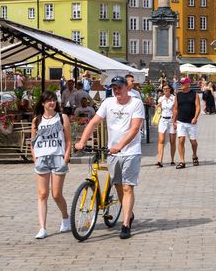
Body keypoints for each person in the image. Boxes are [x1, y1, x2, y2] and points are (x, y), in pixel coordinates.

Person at [74, 76, 144, 239]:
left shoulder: (136, 103)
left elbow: (134, 129)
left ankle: (126, 224)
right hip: (112, 152)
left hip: (130, 152)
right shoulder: (108, 103)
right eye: (114, 88)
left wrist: (120, 145)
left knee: (127, 187)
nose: (116, 91)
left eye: (119, 87)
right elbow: (93, 123)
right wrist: (83, 140)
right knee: (118, 186)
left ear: (127, 88)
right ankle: (129, 212)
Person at [30, 90, 71, 239]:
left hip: (58, 157)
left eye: (53, 100)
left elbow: (68, 140)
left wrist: (66, 157)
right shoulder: (37, 120)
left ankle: (66, 217)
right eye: (48, 100)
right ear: (43, 103)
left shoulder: (62, 118)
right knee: (42, 194)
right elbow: (32, 141)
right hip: (42, 158)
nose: (52, 103)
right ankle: (42, 228)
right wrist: (36, 158)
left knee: (56, 194)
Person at [172, 77, 200, 168]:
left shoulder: (194, 94)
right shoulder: (178, 95)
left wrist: (195, 118)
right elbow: (175, 108)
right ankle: (182, 161)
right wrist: (174, 121)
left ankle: (194, 155)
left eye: (183, 83)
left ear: (188, 84)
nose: (181, 85)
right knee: (181, 140)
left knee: (193, 142)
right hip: (181, 121)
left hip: (191, 121)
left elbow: (198, 107)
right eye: (180, 83)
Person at [155, 84, 176, 168]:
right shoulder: (161, 98)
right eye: (164, 89)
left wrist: (175, 121)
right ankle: (160, 160)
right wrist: (157, 106)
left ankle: (172, 159)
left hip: (171, 120)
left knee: (172, 141)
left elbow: (176, 110)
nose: (165, 90)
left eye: (167, 88)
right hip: (163, 120)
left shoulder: (174, 98)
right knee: (161, 140)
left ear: (170, 89)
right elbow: (157, 108)